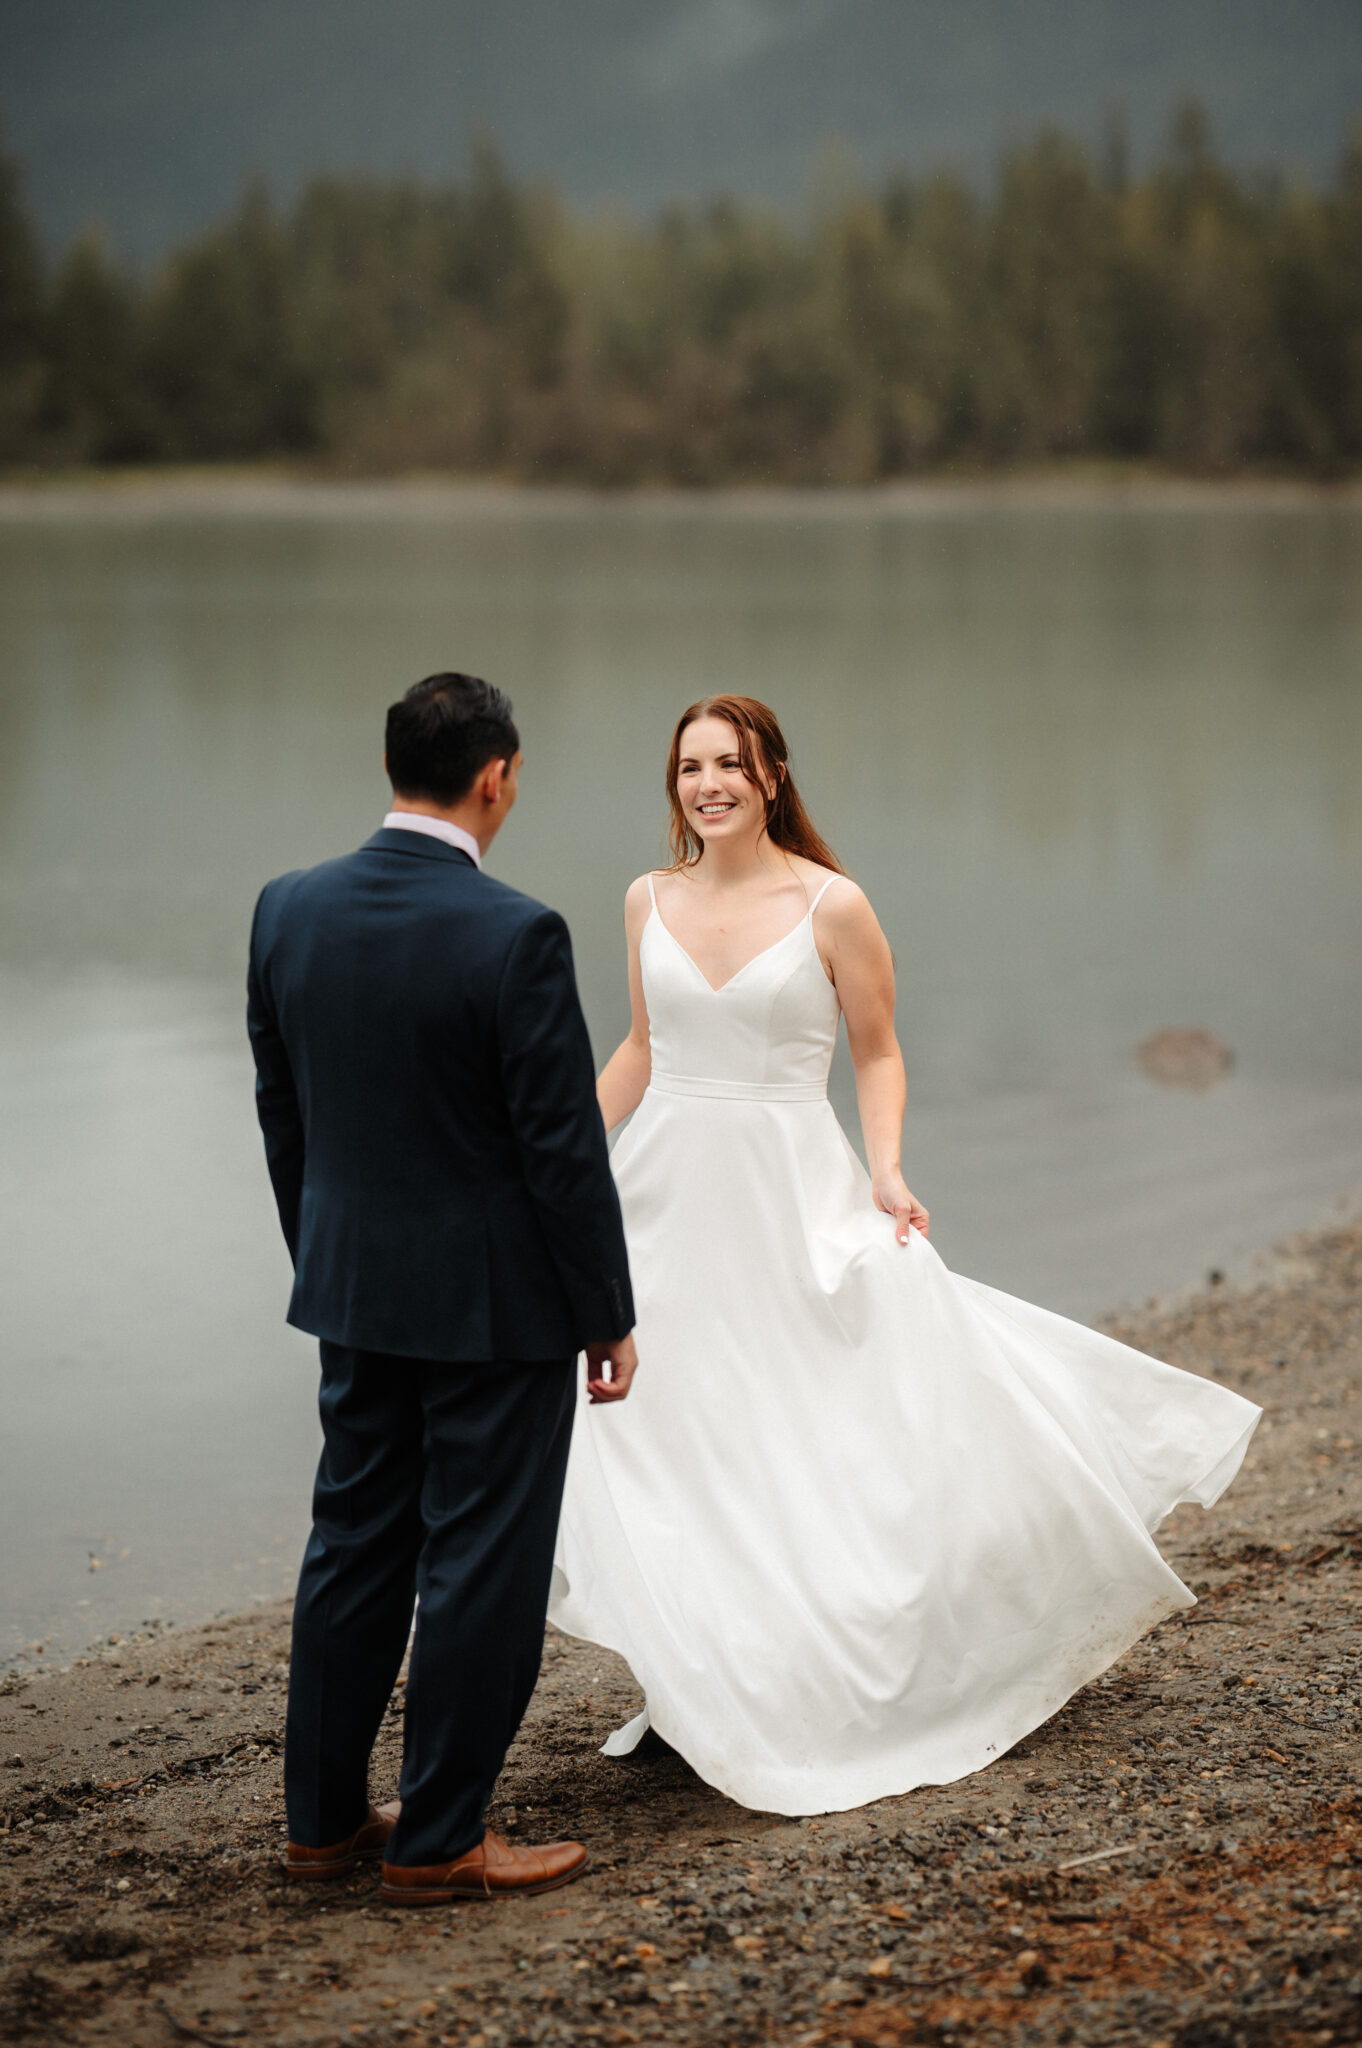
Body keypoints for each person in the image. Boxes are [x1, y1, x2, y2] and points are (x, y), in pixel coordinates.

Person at [549, 693, 1259, 1817]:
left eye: (731, 763)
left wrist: (884, 1167)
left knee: (805, 1425)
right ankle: (708, 1678)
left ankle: (817, 1673)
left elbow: (877, 1053)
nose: (709, 784)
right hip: (665, 1196)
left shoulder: (833, 904)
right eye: (691, 766)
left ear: (772, 775)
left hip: (787, 1182)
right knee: (679, 1435)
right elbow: (643, 1044)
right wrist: (566, 1159)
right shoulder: (647, 897)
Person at [248, 671, 637, 1904]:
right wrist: (604, 1310)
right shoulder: (514, 932)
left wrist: (327, 1256)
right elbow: (560, 1149)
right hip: (495, 1309)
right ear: (496, 777)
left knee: (351, 1541)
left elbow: (283, 1113)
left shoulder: (287, 909)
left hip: (354, 1287)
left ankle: (321, 1824)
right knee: (480, 1558)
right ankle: (438, 1839)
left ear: (392, 769)